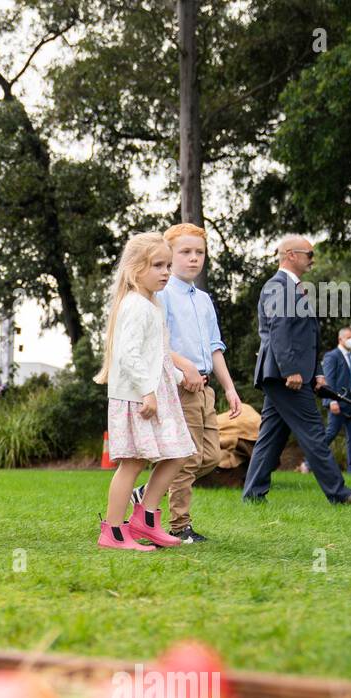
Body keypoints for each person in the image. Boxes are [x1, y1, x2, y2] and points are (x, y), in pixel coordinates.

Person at [242, 237, 351, 505]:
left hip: (288, 374)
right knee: (314, 432)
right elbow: (278, 332)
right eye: (309, 254)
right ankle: (341, 495)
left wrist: (316, 372)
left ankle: (253, 496)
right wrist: (291, 370)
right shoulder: (277, 286)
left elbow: (306, 337)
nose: (313, 259)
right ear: (291, 255)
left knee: (271, 437)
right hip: (285, 376)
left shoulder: (297, 289)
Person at [129, 223, 243, 543]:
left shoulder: (204, 300)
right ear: (169, 254)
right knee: (186, 460)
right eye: (185, 252)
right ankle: (180, 526)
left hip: (205, 387)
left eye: (199, 253)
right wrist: (185, 367)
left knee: (210, 457)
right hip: (179, 385)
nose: (194, 259)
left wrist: (230, 388)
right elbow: (158, 343)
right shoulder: (161, 295)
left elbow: (215, 347)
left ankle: (147, 491)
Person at [96, 233, 196, 550]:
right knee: (133, 463)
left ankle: (145, 519)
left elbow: (159, 355)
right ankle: (112, 532)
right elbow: (129, 355)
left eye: (167, 265)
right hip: (138, 397)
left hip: (155, 392)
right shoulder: (136, 306)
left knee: (179, 452)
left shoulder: (151, 304)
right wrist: (147, 392)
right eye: (157, 265)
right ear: (136, 268)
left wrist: (180, 377)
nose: (166, 272)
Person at [321, 326, 351, 472]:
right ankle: (309, 462)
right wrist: (331, 400)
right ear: (340, 339)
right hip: (338, 402)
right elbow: (329, 379)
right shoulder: (332, 356)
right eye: (349, 338)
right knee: (330, 433)